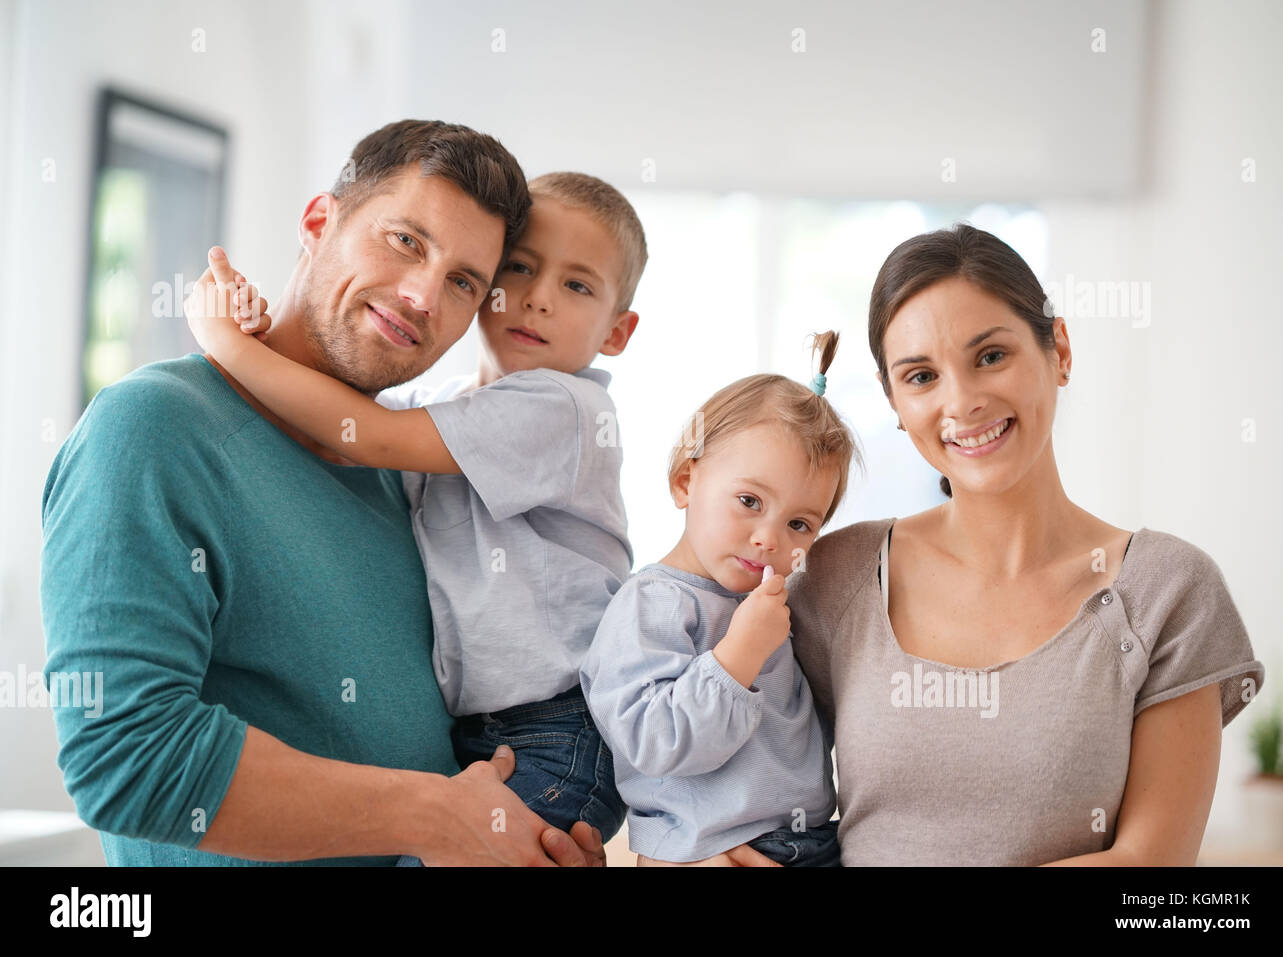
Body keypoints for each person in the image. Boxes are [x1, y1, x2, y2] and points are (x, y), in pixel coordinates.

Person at [39, 119, 603, 866]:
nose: (422, 295)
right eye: (405, 240)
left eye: (464, 281)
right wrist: (435, 815)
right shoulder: (154, 427)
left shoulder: (406, 475)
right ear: (318, 221)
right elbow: (126, 755)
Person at [185, 171, 648, 861]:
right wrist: (254, 315)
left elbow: (360, 431)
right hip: (482, 732)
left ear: (617, 332)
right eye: (517, 269)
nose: (537, 298)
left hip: (557, 725)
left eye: (577, 285)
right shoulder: (447, 406)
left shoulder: (567, 411)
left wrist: (227, 342)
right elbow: (336, 416)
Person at [786, 224, 1265, 865]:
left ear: (1058, 349)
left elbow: (1150, 875)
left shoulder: (1165, 590)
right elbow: (711, 746)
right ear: (894, 401)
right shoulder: (836, 577)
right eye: (922, 376)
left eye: (990, 356)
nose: (963, 402)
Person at [582, 332, 862, 866]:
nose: (768, 537)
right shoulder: (651, 605)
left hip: (813, 841)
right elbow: (655, 743)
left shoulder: (775, 603)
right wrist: (740, 655)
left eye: (800, 523)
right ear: (686, 481)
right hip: (708, 850)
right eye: (750, 501)